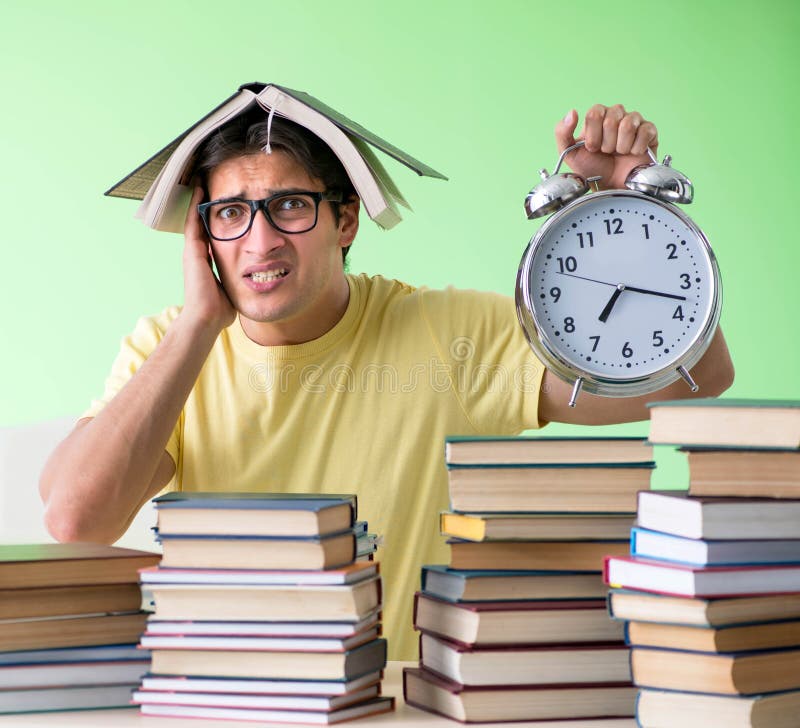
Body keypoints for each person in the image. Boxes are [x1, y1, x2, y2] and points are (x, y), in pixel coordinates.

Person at [39, 102, 734, 659]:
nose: (260, 241)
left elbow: (695, 380)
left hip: (393, 711)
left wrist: (627, 209)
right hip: (226, 706)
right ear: (204, 237)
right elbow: (76, 520)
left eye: (290, 206)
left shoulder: (448, 335)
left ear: (345, 219)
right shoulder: (167, 350)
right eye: (230, 213)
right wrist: (198, 325)